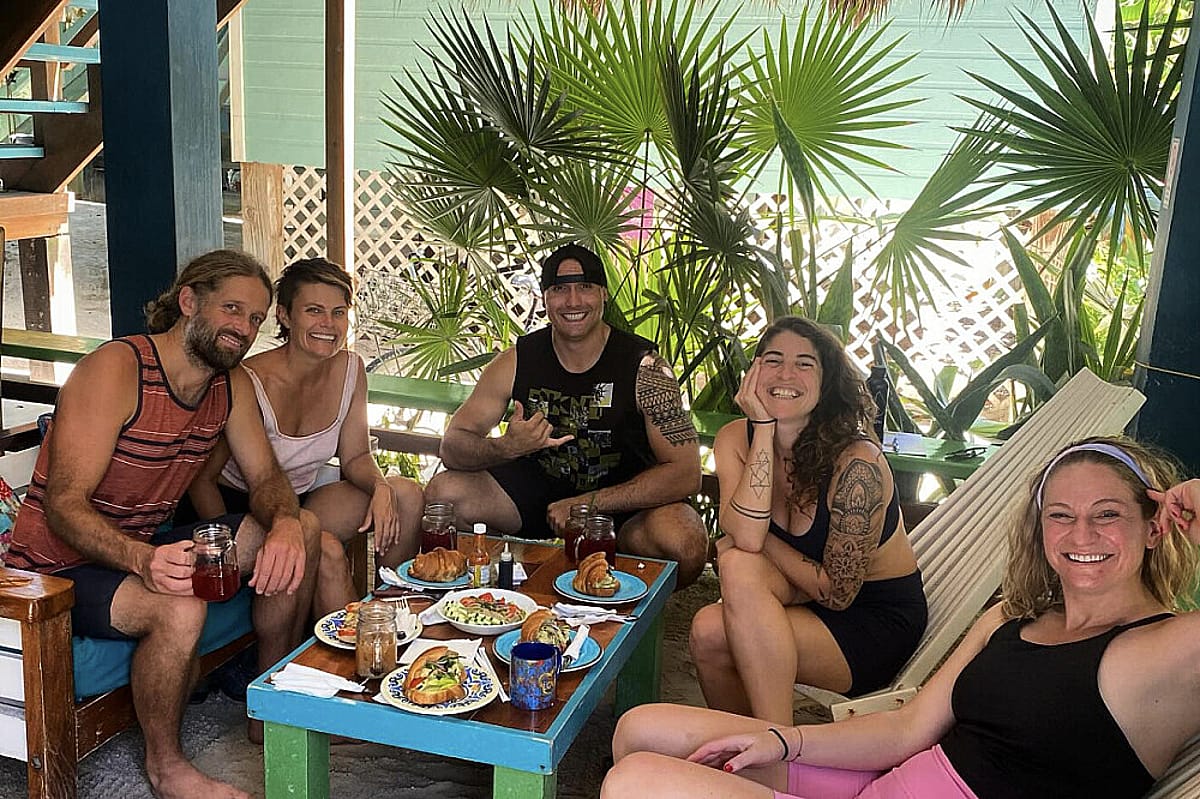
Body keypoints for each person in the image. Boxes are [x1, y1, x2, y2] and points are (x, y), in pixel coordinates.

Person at [602, 436, 1200, 799]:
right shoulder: (1010, 620)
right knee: (640, 729)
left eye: (1108, 515)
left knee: (635, 783)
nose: (1082, 535)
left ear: (1155, 526)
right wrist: (781, 739)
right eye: (1061, 515)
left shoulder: (1165, 650)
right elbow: (907, 729)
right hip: (888, 779)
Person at [4, 250, 323, 799]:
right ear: (188, 301)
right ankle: (167, 768)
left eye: (254, 319)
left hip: (143, 544)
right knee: (179, 606)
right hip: (55, 569)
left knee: (305, 529)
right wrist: (144, 561)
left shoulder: (231, 385)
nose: (243, 329)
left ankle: (266, 708)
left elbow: (266, 477)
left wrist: (288, 523)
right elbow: (64, 505)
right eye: (231, 309)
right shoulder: (117, 369)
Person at [425, 243, 708, 588]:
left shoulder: (645, 368)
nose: (573, 301)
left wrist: (588, 505)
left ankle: (623, 599)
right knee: (445, 493)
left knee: (685, 541)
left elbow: (686, 472)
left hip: (622, 506)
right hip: (533, 499)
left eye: (585, 287)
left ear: (603, 294)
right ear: (545, 298)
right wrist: (505, 447)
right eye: (560, 289)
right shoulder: (517, 360)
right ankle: (499, 585)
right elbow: (452, 445)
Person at [693, 316, 926, 724]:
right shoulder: (737, 438)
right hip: (805, 598)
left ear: (826, 382)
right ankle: (747, 749)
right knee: (708, 628)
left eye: (805, 364)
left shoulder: (857, 465)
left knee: (735, 561)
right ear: (754, 372)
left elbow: (836, 593)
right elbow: (746, 537)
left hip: (869, 621)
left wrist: (748, 535)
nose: (786, 374)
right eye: (773, 360)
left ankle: (776, 748)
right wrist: (764, 430)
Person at [180, 257, 424, 616]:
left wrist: (380, 487)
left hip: (299, 499)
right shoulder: (248, 379)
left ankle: (392, 604)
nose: (329, 324)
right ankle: (350, 643)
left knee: (406, 493)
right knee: (324, 548)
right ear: (284, 316)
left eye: (339, 313)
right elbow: (203, 481)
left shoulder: (351, 368)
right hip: (239, 506)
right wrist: (229, 551)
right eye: (314, 311)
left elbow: (355, 456)